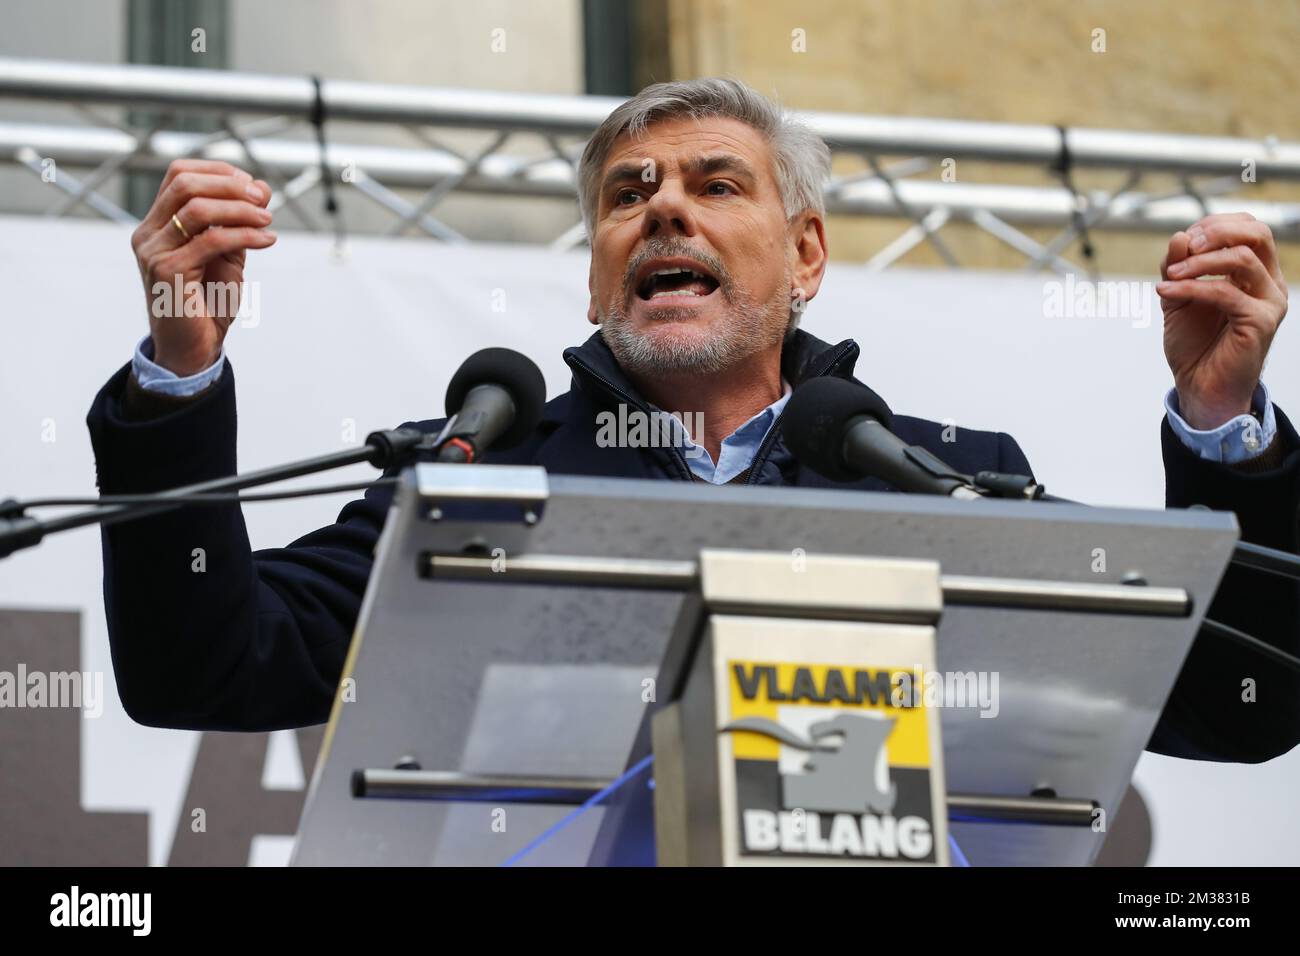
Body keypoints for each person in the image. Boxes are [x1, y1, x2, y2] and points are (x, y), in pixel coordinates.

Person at [88, 79, 1297, 762]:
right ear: (599, 267)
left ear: (806, 252)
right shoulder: (480, 467)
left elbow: (1245, 702)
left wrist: (1220, 417)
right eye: (629, 195)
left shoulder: (946, 482)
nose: (665, 210)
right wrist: (181, 366)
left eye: (717, 184)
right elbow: (206, 663)